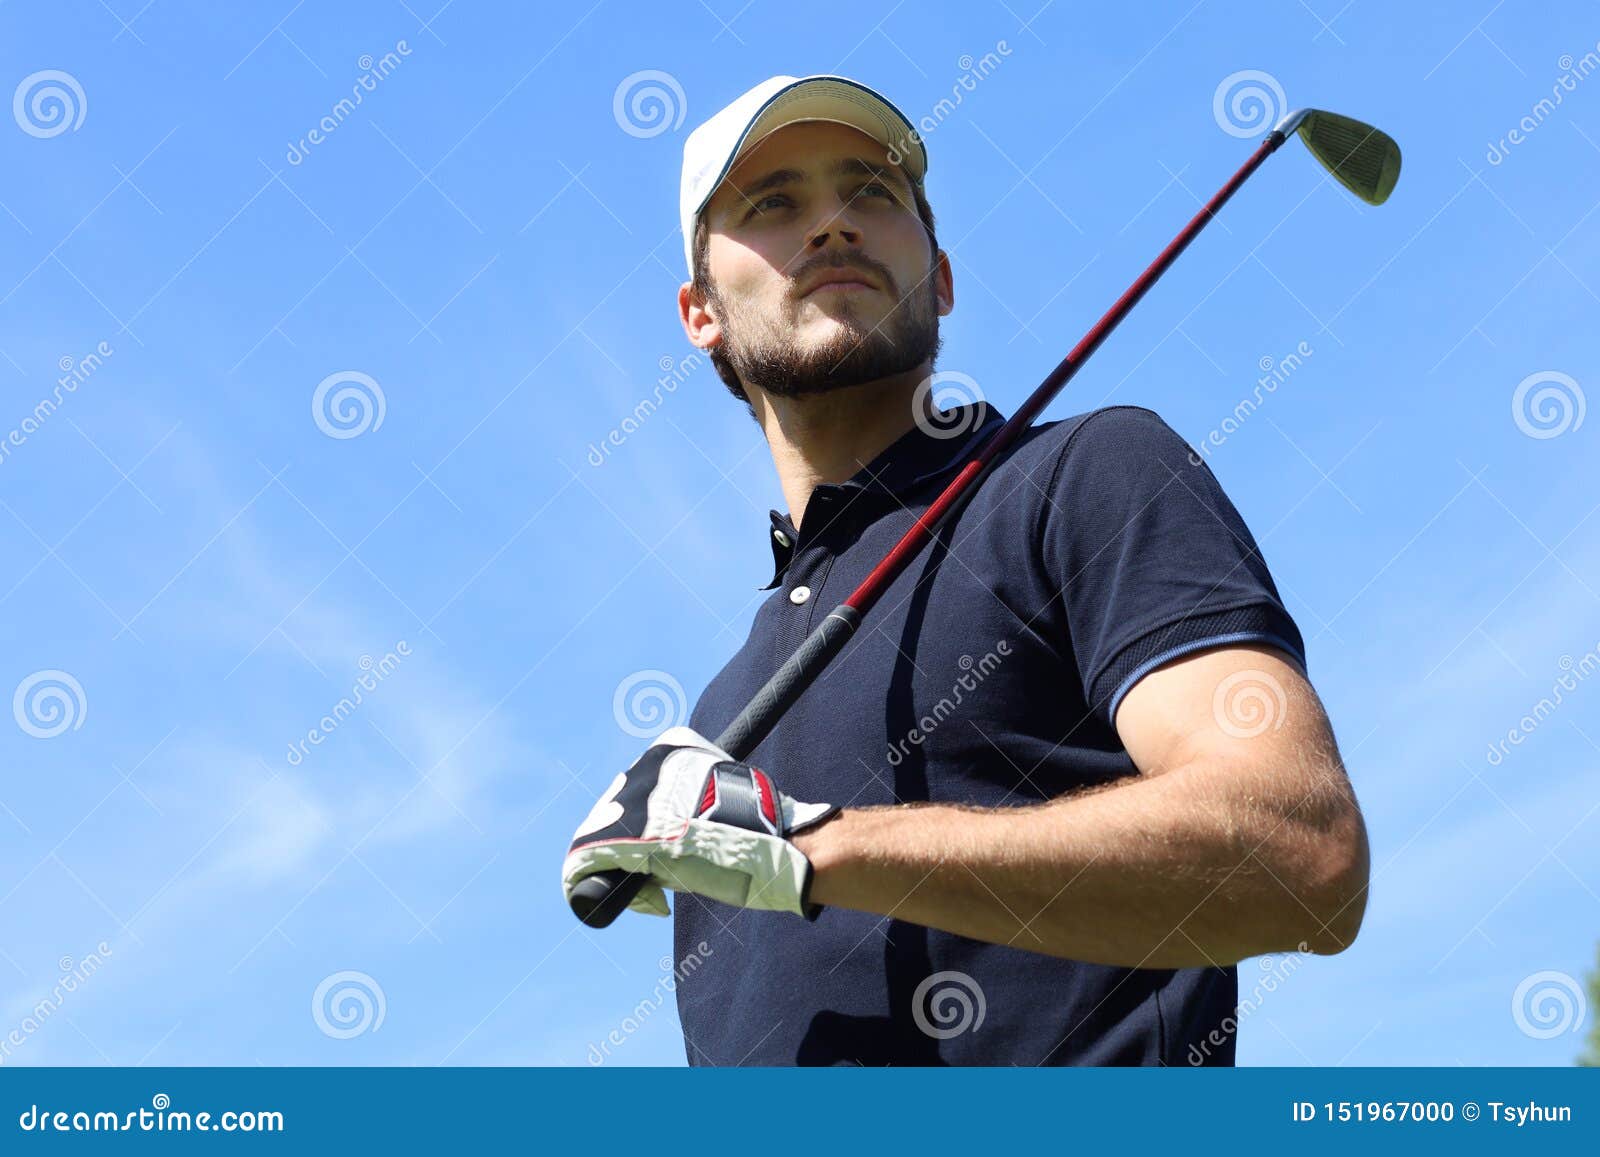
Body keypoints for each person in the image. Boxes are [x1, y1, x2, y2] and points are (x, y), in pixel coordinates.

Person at [563, 74, 1370, 1066]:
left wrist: (809, 845)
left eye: (870, 193)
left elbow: (1298, 851)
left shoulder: (1086, 474)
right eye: (773, 204)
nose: (831, 226)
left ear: (939, 278)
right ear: (699, 314)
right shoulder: (728, 707)